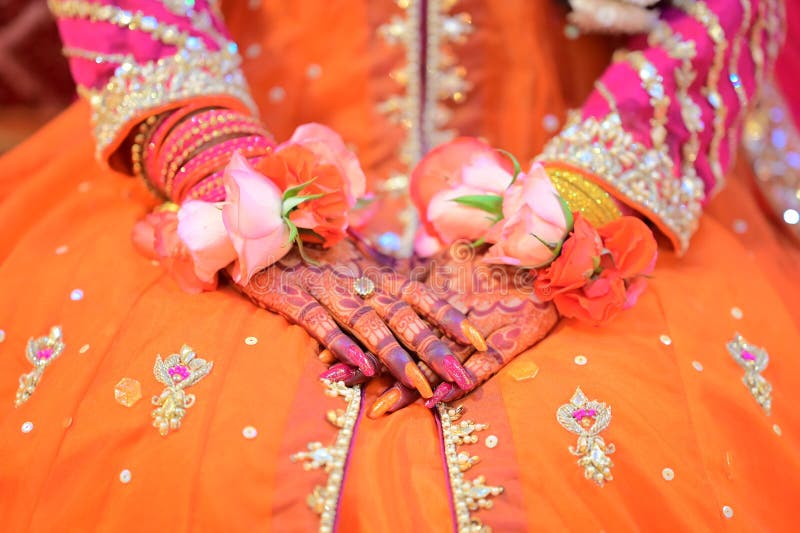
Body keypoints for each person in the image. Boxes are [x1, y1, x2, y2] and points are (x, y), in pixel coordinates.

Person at [1, 0, 798, 531]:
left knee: (610, 452)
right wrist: (222, 170)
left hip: (599, 125)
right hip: (233, 105)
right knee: (167, 439)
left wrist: (578, 209)